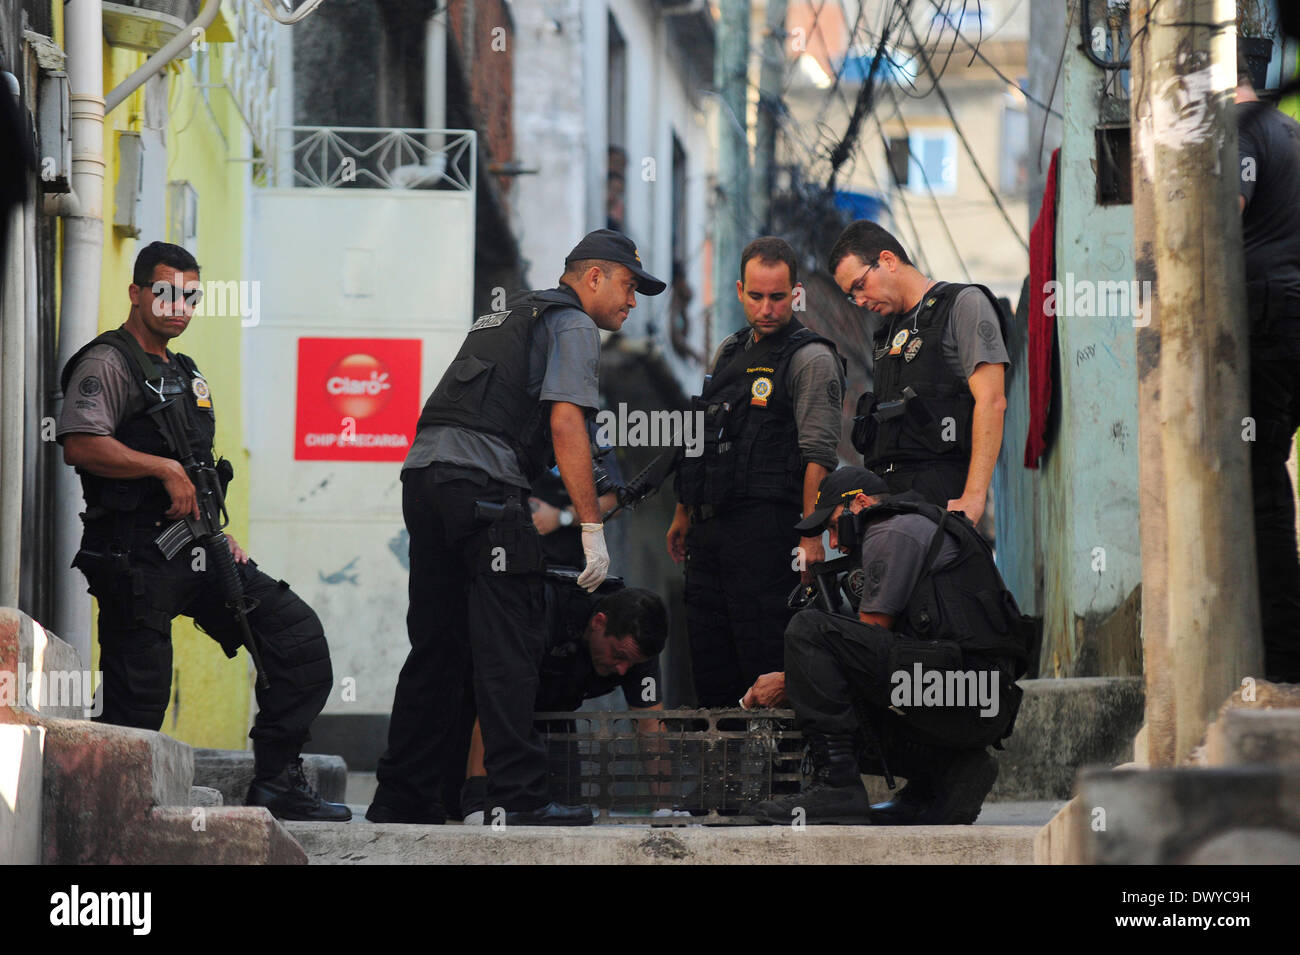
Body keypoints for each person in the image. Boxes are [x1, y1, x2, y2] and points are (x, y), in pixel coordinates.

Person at [367, 229, 666, 826]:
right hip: (483, 491)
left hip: (425, 479)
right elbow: (564, 424)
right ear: (593, 277)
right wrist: (589, 527)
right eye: (630, 286)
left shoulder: (512, 312)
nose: (633, 302)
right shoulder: (575, 323)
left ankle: (405, 798)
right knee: (509, 643)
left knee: (437, 645)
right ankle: (519, 797)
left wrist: (600, 481)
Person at [57, 241, 348, 822]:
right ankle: (113, 822)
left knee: (296, 642)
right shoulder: (108, 363)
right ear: (136, 293)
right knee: (137, 708)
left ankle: (277, 782)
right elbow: (81, 443)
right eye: (165, 292)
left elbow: (197, 464)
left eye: (190, 296)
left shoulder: (185, 373)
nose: (178, 306)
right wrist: (159, 468)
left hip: (196, 548)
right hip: (134, 558)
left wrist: (215, 531)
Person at [746, 467, 1035, 826]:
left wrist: (791, 681)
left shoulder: (889, 529)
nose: (834, 543)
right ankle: (949, 773)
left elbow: (857, 649)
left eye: (834, 526)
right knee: (836, 688)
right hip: (980, 697)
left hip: (961, 690)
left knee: (809, 631)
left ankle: (837, 789)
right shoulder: (916, 523)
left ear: (861, 502)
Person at [667, 236, 844, 707]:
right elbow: (702, 436)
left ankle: (775, 782)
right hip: (710, 535)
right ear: (740, 290)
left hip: (768, 538)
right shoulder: (728, 351)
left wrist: (810, 538)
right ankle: (720, 777)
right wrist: (684, 511)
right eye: (756, 296)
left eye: (778, 297)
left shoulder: (812, 358)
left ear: (796, 294)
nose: (767, 308)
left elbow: (819, 456)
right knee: (711, 670)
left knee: (765, 666)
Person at [829, 221, 1009, 524]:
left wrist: (974, 497)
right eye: (851, 295)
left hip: (940, 502)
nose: (859, 301)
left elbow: (992, 401)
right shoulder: (886, 333)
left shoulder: (962, 304)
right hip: (891, 504)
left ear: (887, 260)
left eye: (859, 285)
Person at [457, 579, 668, 822]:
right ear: (598, 622)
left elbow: (651, 724)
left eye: (632, 663)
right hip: (480, 710)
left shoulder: (634, 649)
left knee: (565, 812)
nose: (622, 670)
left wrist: (665, 808)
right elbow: (497, 701)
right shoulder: (539, 613)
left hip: (554, 715)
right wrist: (476, 804)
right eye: (618, 655)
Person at [1236, 63, 1300, 684]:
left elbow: (1219, 221)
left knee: (1260, 483)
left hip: (1269, 324)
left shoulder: (1239, 129)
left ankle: (1283, 663)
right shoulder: (1291, 130)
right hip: (1291, 319)